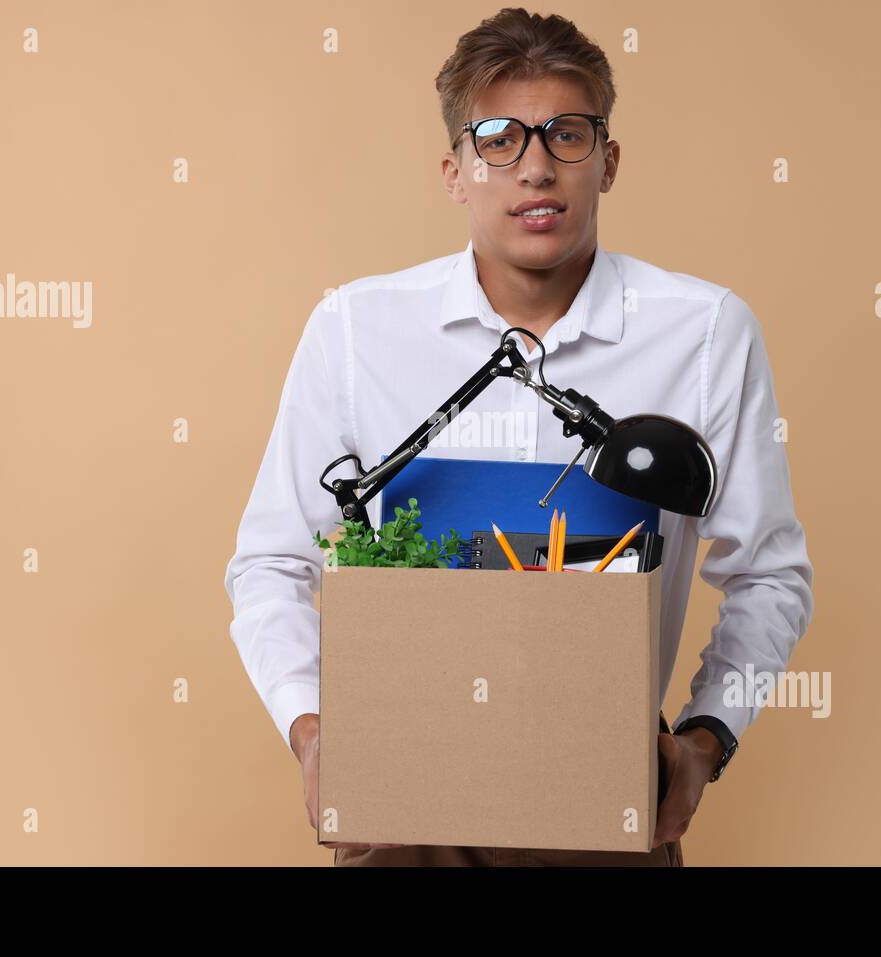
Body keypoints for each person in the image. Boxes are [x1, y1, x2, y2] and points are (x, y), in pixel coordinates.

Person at [224, 7, 814, 867]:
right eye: (498, 138)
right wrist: (312, 731)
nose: (535, 167)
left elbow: (769, 572)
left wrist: (705, 738)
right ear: (455, 170)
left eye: (566, 136)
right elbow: (269, 562)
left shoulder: (705, 333)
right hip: (402, 811)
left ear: (607, 162)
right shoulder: (356, 329)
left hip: (607, 807)